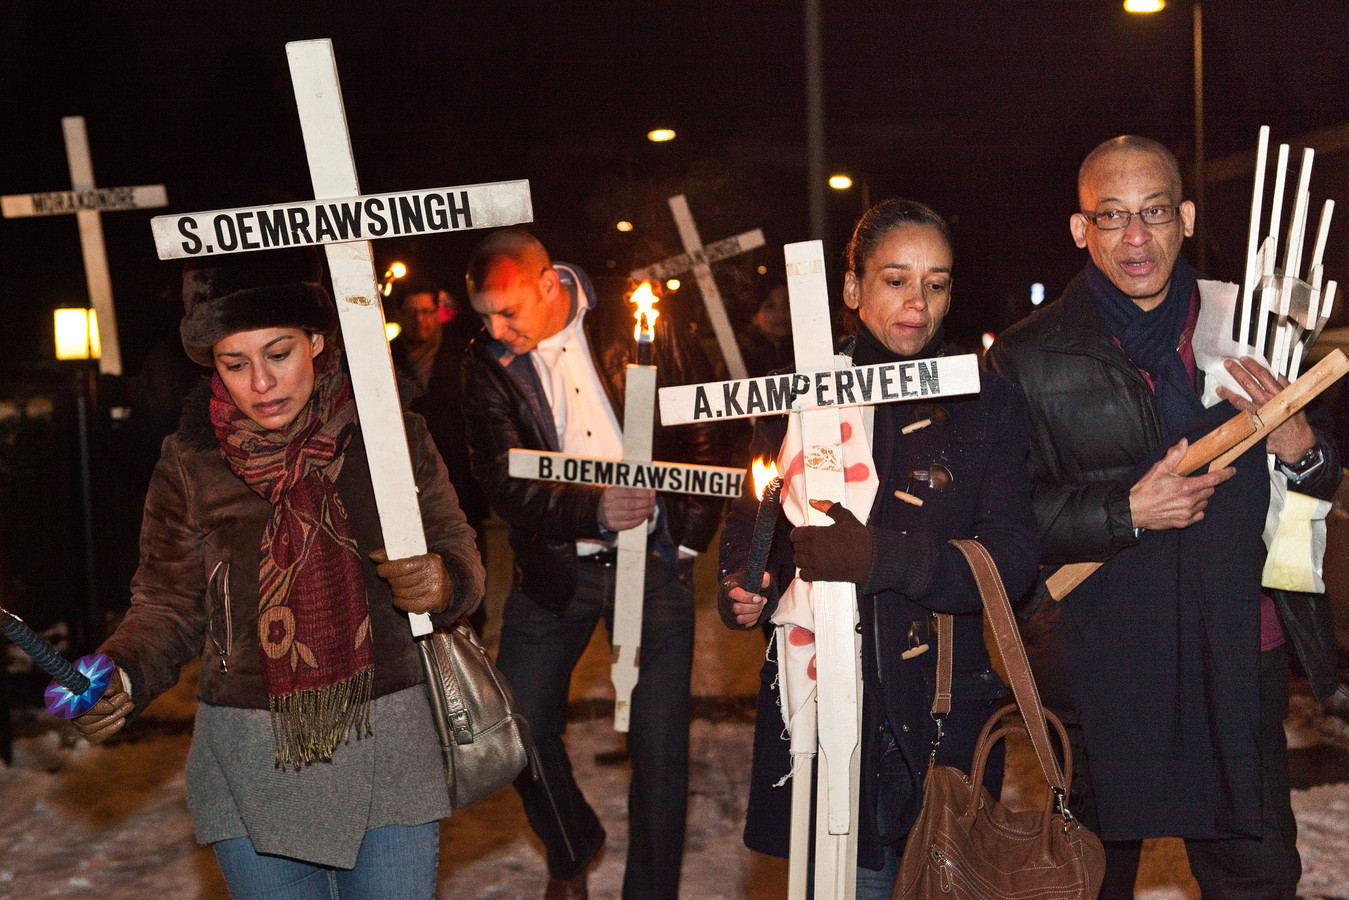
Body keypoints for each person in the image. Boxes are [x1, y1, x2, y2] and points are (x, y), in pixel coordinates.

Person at [70, 249, 486, 899]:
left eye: (278, 353)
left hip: (388, 740)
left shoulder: (387, 433)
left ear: (317, 342)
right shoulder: (190, 459)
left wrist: (446, 579)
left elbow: (454, 542)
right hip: (250, 754)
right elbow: (167, 601)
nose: (260, 383)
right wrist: (123, 668)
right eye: (235, 364)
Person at [989, 134, 1341, 899]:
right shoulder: (1028, 356)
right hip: (1101, 658)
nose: (1135, 237)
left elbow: (1313, 487)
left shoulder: (1249, 327)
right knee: (1088, 880)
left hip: (1234, 650)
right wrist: (1124, 510)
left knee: (1256, 876)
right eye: (1110, 217)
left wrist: (1300, 446)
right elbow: (1004, 516)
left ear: (1182, 216)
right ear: (1080, 229)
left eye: (1153, 212)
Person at [717, 199, 1040, 897]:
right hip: (817, 709)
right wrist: (745, 584)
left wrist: (882, 559)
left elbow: (1011, 561)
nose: (918, 304)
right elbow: (755, 518)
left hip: (932, 724)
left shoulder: (983, 399)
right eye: (895, 280)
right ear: (851, 288)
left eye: (937, 282)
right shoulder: (795, 395)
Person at [460, 229, 729, 900]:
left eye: (508, 312)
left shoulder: (635, 316)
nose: (496, 330)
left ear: (549, 284)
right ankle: (573, 842)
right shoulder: (487, 364)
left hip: (656, 566)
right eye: (484, 317)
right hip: (556, 573)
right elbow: (501, 478)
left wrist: (689, 538)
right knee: (516, 729)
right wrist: (593, 512)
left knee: (660, 753)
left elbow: (701, 426)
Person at [388, 277, 492, 631]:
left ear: (439, 312)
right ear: (400, 314)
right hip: (409, 482)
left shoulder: (463, 355)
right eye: (413, 312)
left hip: (462, 481)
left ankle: (471, 639)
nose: (421, 320)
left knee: (468, 566)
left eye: (428, 311)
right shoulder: (387, 359)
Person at [737, 275, 794, 378]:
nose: (781, 314)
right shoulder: (739, 362)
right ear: (754, 316)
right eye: (770, 306)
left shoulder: (804, 355)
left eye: (787, 305)